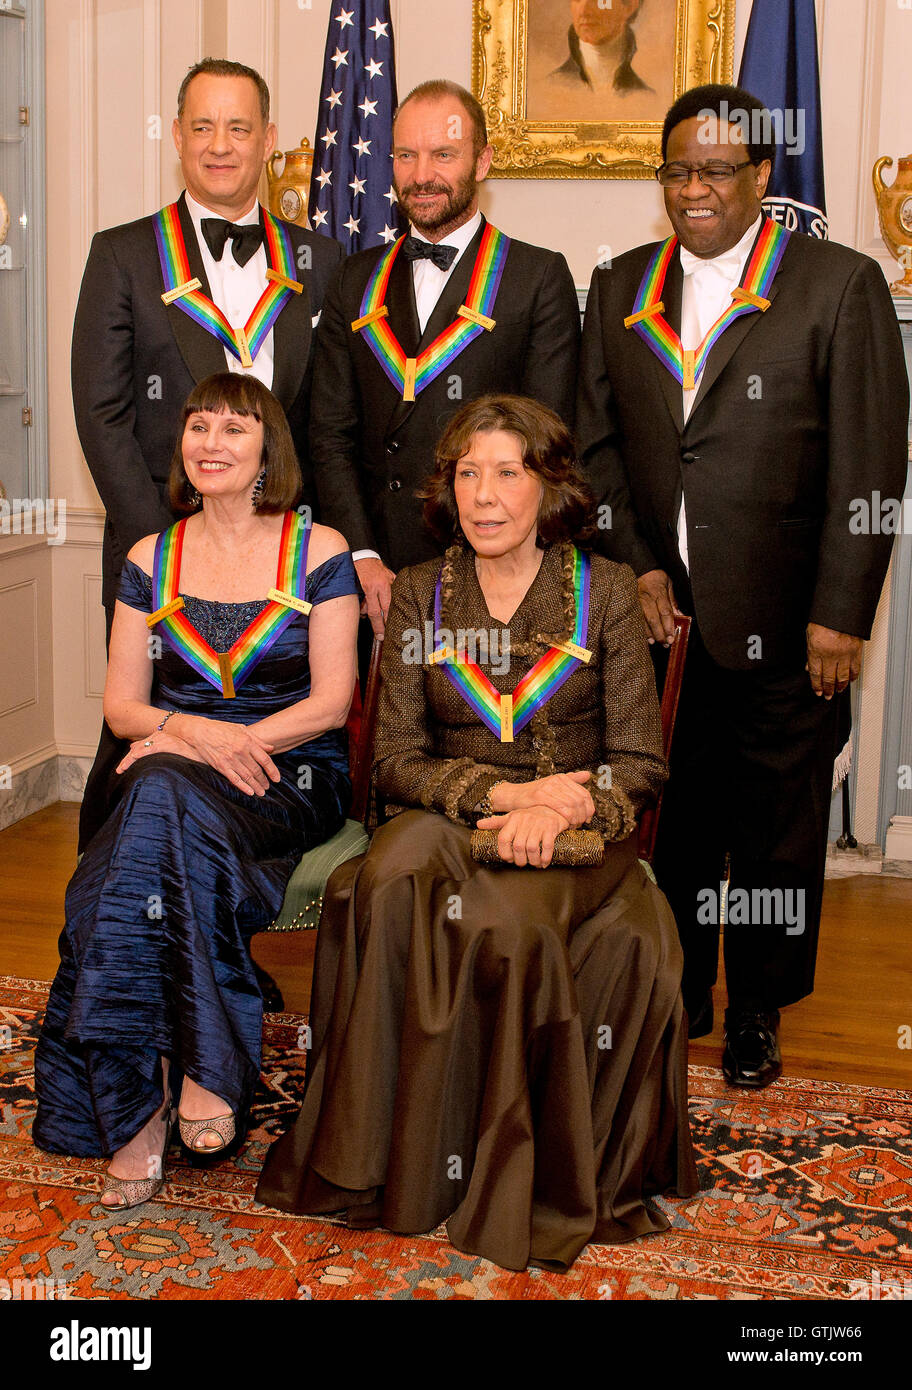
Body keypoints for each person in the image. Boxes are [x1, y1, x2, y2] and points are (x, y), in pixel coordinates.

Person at [256, 394, 698, 1273]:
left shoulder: (605, 590)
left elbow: (640, 762)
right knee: (381, 879)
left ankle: (497, 1174)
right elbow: (394, 761)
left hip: (577, 831)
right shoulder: (421, 593)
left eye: (508, 473)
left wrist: (568, 803)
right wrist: (502, 797)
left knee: (503, 922)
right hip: (460, 811)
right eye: (468, 474)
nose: (485, 496)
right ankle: (377, 1161)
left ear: (549, 486)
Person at [576, 83, 910, 1087]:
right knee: (671, 817)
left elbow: (869, 469)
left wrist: (840, 616)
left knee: (776, 827)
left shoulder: (837, 286)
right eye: (677, 170)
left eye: (717, 169)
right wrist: (634, 563)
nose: (694, 189)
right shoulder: (619, 287)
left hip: (789, 619)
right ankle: (682, 989)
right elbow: (593, 449)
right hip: (661, 619)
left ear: (762, 176)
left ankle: (760, 1007)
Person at [33, 374, 359, 1210]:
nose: (211, 442)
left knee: (146, 804)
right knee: (160, 802)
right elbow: (122, 704)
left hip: (291, 771)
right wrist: (194, 734)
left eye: (235, 430)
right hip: (186, 769)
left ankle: (138, 1108)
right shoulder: (150, 556)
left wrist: (219, 741)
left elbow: (332, 701)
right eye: (199, 425)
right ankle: (189, 1084)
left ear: (266, 453)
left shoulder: (318, 550)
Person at [73, 57, 344, 858]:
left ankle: (227, 912)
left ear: (268, 141)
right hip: (163, 557)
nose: (219, 145)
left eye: (237, 127)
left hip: (283, 566)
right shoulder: (122, 253)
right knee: (134, 760)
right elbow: (102, 414)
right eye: (201, 127)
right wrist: (170, 553)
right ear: (179, 138)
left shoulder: (318, 261)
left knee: (266, 764)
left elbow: (323, 421)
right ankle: (110, 930)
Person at [309, 79, 581, 640]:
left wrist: (484, 571)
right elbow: (328, 434)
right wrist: (359, 554)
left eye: (443, 154)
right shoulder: (352, 278)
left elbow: (544, 446)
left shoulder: (537, 277)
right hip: (372, 577)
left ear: (482, 161)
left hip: (488, 576)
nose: (421, 174)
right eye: (405, 155)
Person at [549, 0, 652, 97]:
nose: (583, 11)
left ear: (630, 6)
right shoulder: (551, 86)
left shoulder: (645, 97)